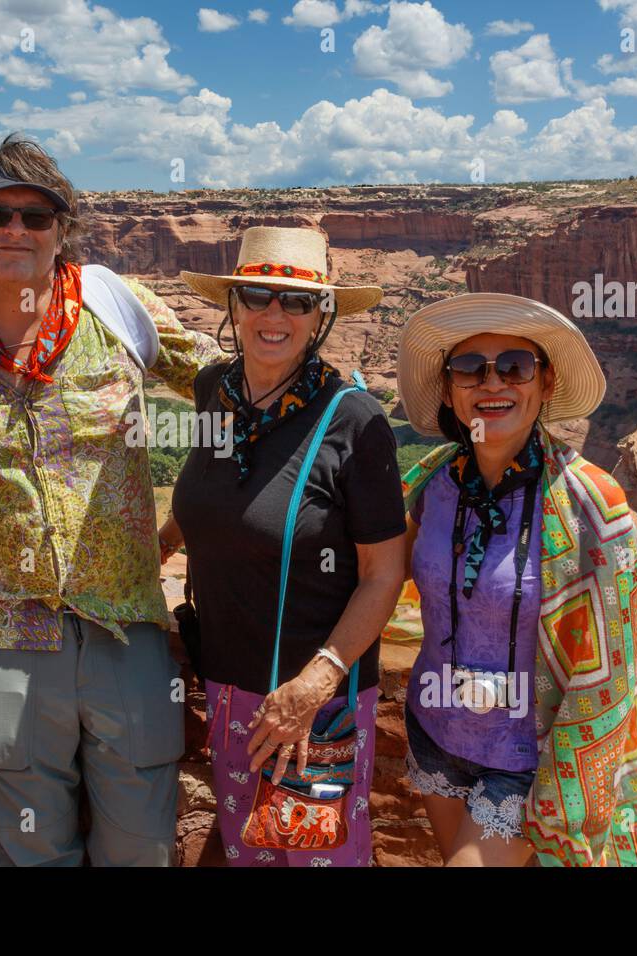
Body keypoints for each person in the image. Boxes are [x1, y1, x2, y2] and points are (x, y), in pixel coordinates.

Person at [0, 134, 223, 866]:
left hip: (127, 632)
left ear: (64, 228)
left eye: (38, 214)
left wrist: (185, 523)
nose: (16, 229)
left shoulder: (115, 307)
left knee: (140, 854)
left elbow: (234, 399)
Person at [395, 292, 637, 866]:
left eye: (515, 366)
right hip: (436, 734)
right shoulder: (430, 483)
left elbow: (616, 670)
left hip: (531, 759)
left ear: (545, 383)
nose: (491, 383)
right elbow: (376, 578)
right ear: (449, 389)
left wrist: (572, 793)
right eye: (469, 368)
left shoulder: (592, 504)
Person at [169, 226, 407, 866]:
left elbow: (384, 572)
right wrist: (157, 546)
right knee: (250, 853)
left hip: (309, 699)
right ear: (233, 305)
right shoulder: (213, 390)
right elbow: (211, 494)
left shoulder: (355, 422)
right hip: (224, 682)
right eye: (257, 295)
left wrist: (316, 681)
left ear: (320, 316)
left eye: (297, 302)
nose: (274, 314)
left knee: (313, 856)